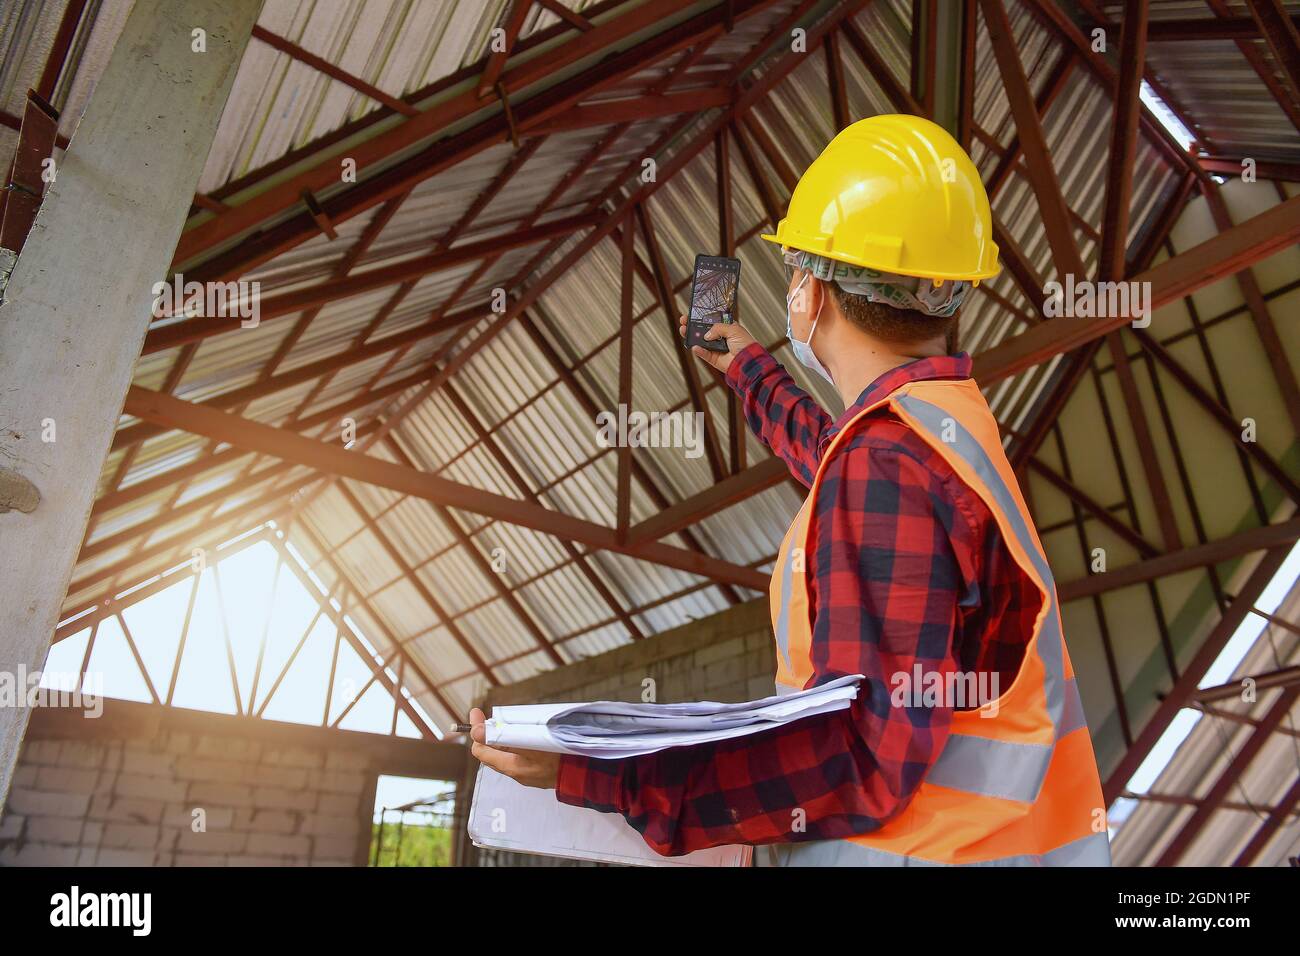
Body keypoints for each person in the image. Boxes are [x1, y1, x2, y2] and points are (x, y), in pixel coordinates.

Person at [471, 115, 1110, 866]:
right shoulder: (940, 424)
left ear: (815, 293)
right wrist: (745, 365)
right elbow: (836, 458)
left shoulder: (887, 459)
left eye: (797, 270)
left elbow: (858, 760)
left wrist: (603, 773)